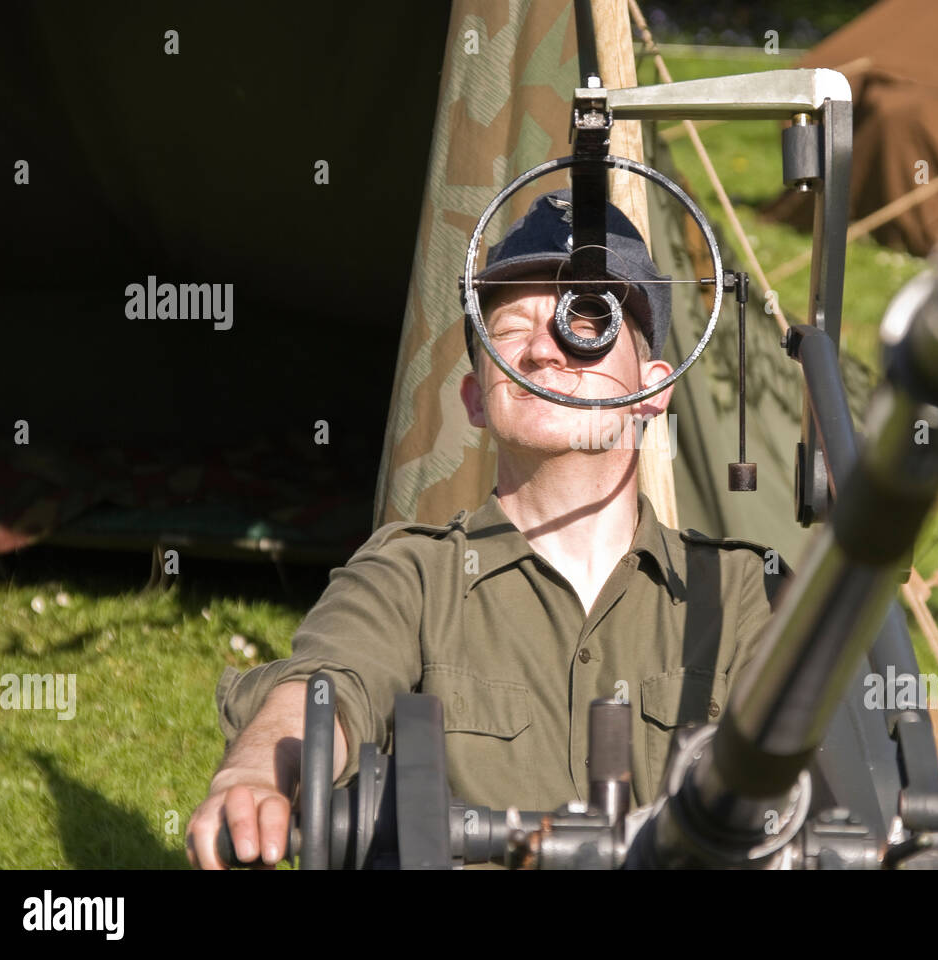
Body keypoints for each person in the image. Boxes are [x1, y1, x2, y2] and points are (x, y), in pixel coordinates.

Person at [186, 189, 790, 869]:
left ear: (654, 388)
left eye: (585, 320)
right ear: (477, 397)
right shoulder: (413, 576)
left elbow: (819, 763)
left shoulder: (740, 591)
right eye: (508, 331)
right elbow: (325, 687)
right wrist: (256, 777)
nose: (542, 351)